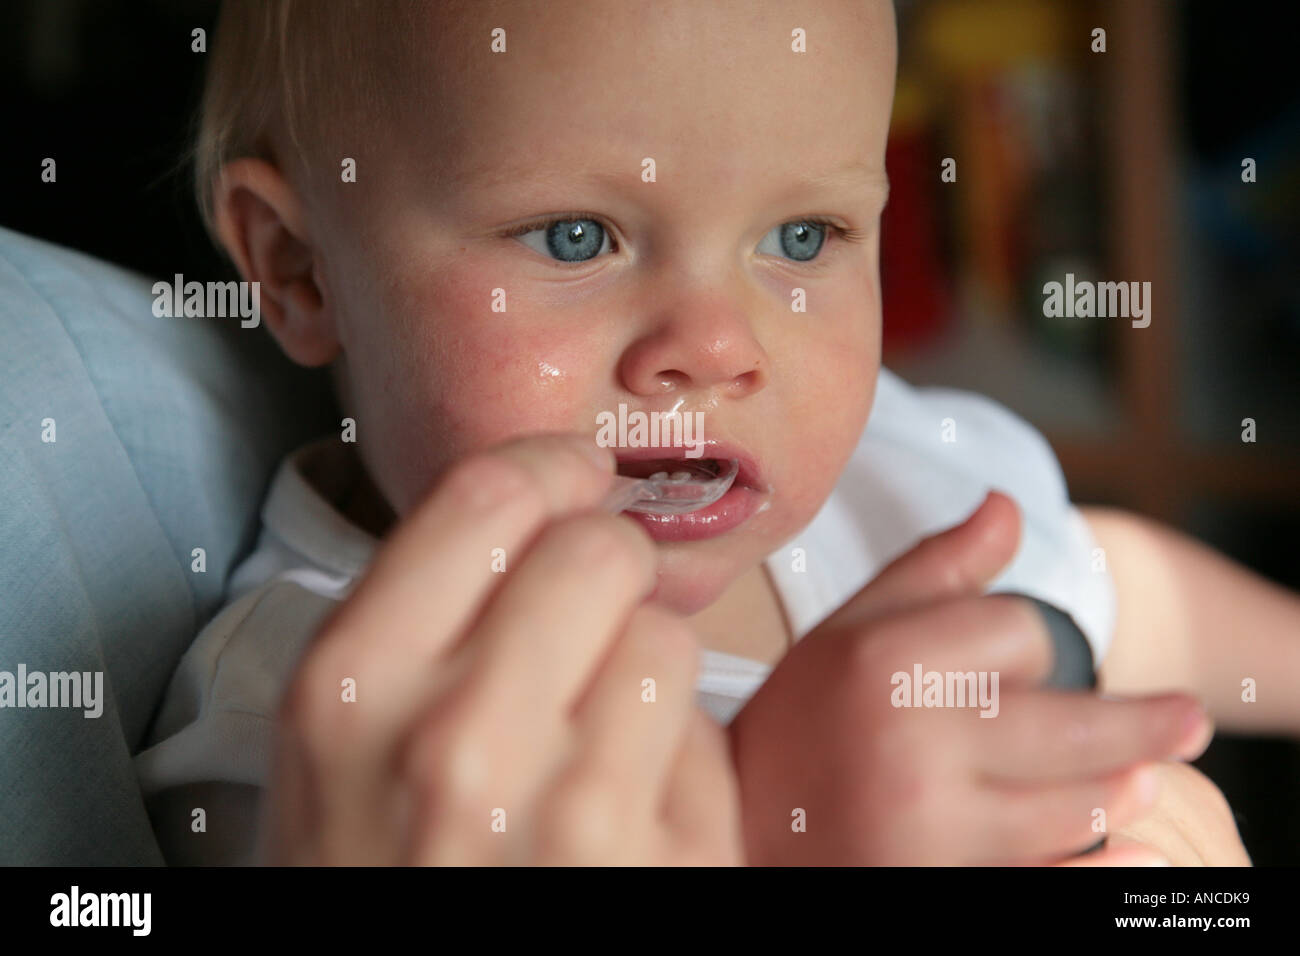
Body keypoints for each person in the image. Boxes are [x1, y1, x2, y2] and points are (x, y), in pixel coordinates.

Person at [135, 0, 1280, 865]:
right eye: (576, 237)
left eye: (801, 236)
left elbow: (1126, 591)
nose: (721, 347)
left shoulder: (885, 469)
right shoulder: (308, 724)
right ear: (295, 266)